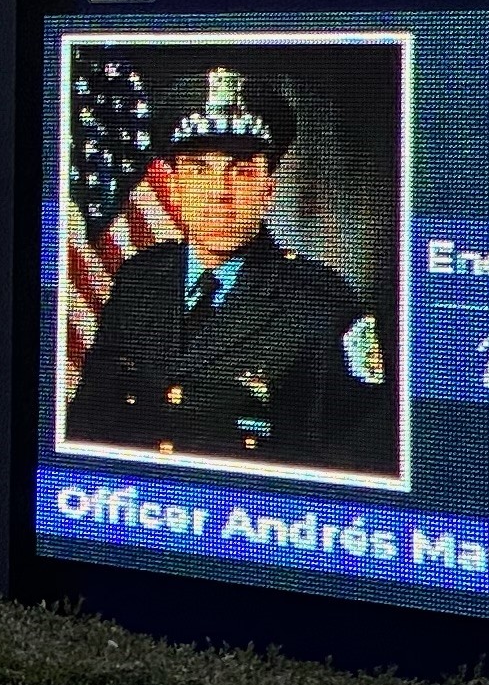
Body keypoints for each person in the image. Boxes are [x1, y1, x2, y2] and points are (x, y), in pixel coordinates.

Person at [68, 67, 394, 470]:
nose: (220, 192)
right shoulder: (138, 280)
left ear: (268, 188)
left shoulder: (322, 305)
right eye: (198, 169)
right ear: (174, 187)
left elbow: (349, 463)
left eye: (241, 170)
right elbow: (86, 425)